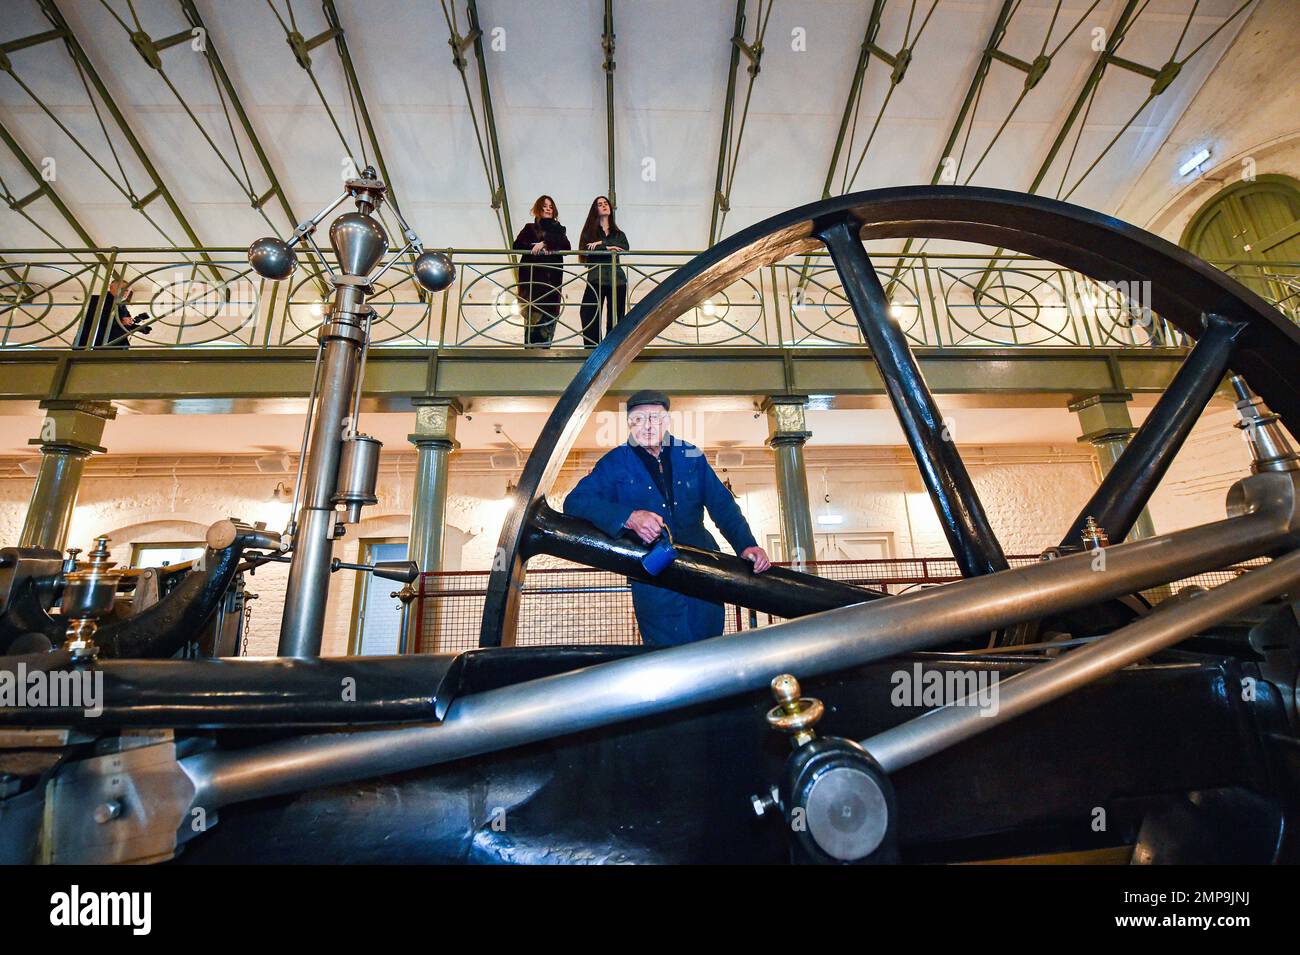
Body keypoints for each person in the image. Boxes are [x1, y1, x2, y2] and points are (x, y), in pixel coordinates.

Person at [564, 389, 772, 646]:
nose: (648, 426)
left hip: (703, 571)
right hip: (653, 581)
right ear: (629, 424)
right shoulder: (614, 463)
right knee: (665, 654)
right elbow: (575, 502)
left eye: (655, 418)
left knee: (709, 648)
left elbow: (722, 505)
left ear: (666, 421)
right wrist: (629, 517)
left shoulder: (691, 455)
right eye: (638, 420)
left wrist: (746, 544)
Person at [512, 195, 570, 347]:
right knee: (532, 332)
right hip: (532, 286)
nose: (548, 209)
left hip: (551, 287)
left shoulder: (559, 230)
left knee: (547, 331)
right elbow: (517, 246)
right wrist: (533, 246)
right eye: (545, 206)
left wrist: (545, 243)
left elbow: (566, 246)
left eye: (551, 207)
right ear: (538, 208)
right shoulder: (529, 228)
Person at [577, 195, 629, 347]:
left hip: (617, 280)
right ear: (595, 209)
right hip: (596, 278)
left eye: (606, 203)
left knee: (616, 318)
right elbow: (584, 249)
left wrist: (600, 244)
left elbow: (624, 247)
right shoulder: (589, 232)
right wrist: (606, 247)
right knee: (587, 313)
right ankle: (593, 350)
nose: (604, 205)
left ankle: (609, 349)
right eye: (600, 204)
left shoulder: (619, 234)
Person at [73, 277, 148, 349]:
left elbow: (123, 325)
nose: (126, 292)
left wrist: (137, 327)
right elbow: (95, 318)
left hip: (115, 346)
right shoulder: (97, 300)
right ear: (111, 287)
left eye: (128, 291)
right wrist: (122, 321)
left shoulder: (122, 306)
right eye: (123, 289)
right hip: (94, 345)